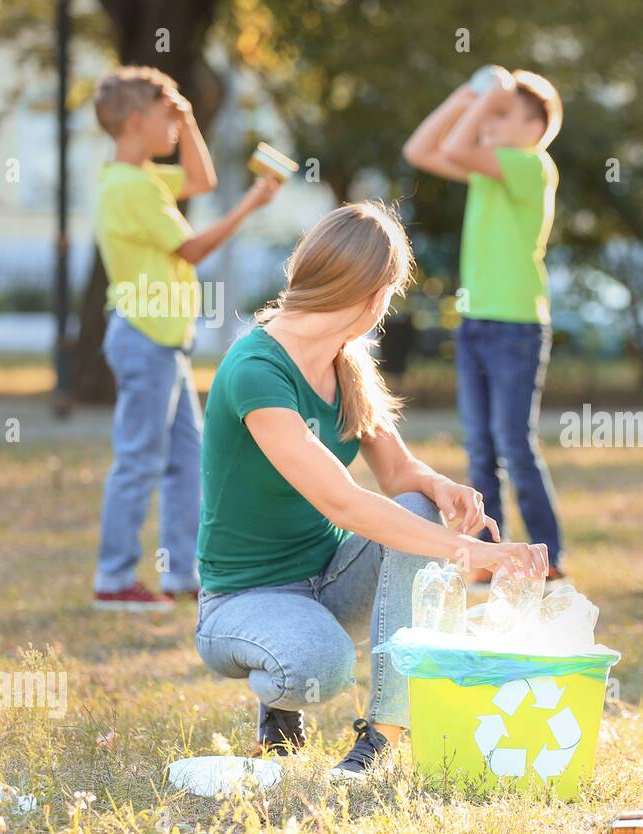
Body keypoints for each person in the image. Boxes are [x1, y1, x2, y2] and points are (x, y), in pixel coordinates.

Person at [194, 202, 547, 779]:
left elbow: (398, 474)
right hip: (241, 600)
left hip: (330, 580)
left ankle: (382, 735)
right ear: (375, 293)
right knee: (319, 667)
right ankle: (280, 703)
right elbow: (343, 502)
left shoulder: (347, 362)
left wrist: (440, 486)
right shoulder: (253, 369)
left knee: (417, 507)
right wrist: (476, 553)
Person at [91, 66, 280, 612]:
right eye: (166, 118)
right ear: (134, 121)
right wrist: (250, 206)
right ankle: (113, 580)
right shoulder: (130, 188)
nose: (173, 129)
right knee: (139, 459)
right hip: (145, 337)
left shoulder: (141, 177)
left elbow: (201, 181)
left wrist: (189, 115)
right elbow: (192, 249)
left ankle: (180, 572)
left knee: (185, 458)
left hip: (161, 340)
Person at [402, 66, 567, 591]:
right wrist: (469, 92)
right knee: (479, 446)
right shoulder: (491, 168)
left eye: (502, 115)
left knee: (513, 445)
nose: (489, 123)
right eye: (489, 114)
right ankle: (492, 557)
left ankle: (549, 558)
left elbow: (453, 145)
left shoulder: (529, 165)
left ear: (535, 125)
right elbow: (420, 149)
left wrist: (482, 98)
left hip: (516, 324)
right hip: (476, 321)